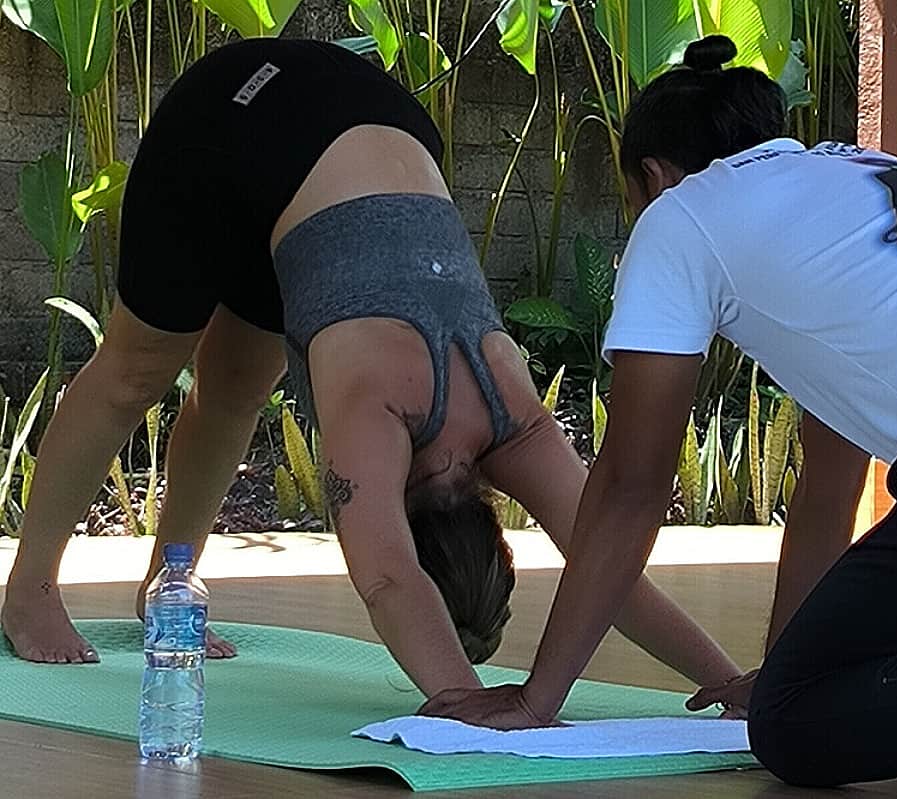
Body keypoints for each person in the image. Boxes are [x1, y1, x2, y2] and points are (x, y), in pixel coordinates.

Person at [418, 35, 897, 799]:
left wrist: (536, 697)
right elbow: (829, 484)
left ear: (654, 176)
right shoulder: (873, 178)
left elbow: (629, 484)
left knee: (796, 725)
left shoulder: (682, 212)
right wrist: (792, 665)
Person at [0, 38, 744, 703]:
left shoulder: (510, 411)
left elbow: (612, 561)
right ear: (403, 520)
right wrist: (462, 700)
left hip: (367, 125)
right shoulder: (378, 413)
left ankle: (169, 581)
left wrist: (728, 677)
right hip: (235, 120)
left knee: (234, 386)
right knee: (135, 370)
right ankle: (29, 588)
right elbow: (390, 580)